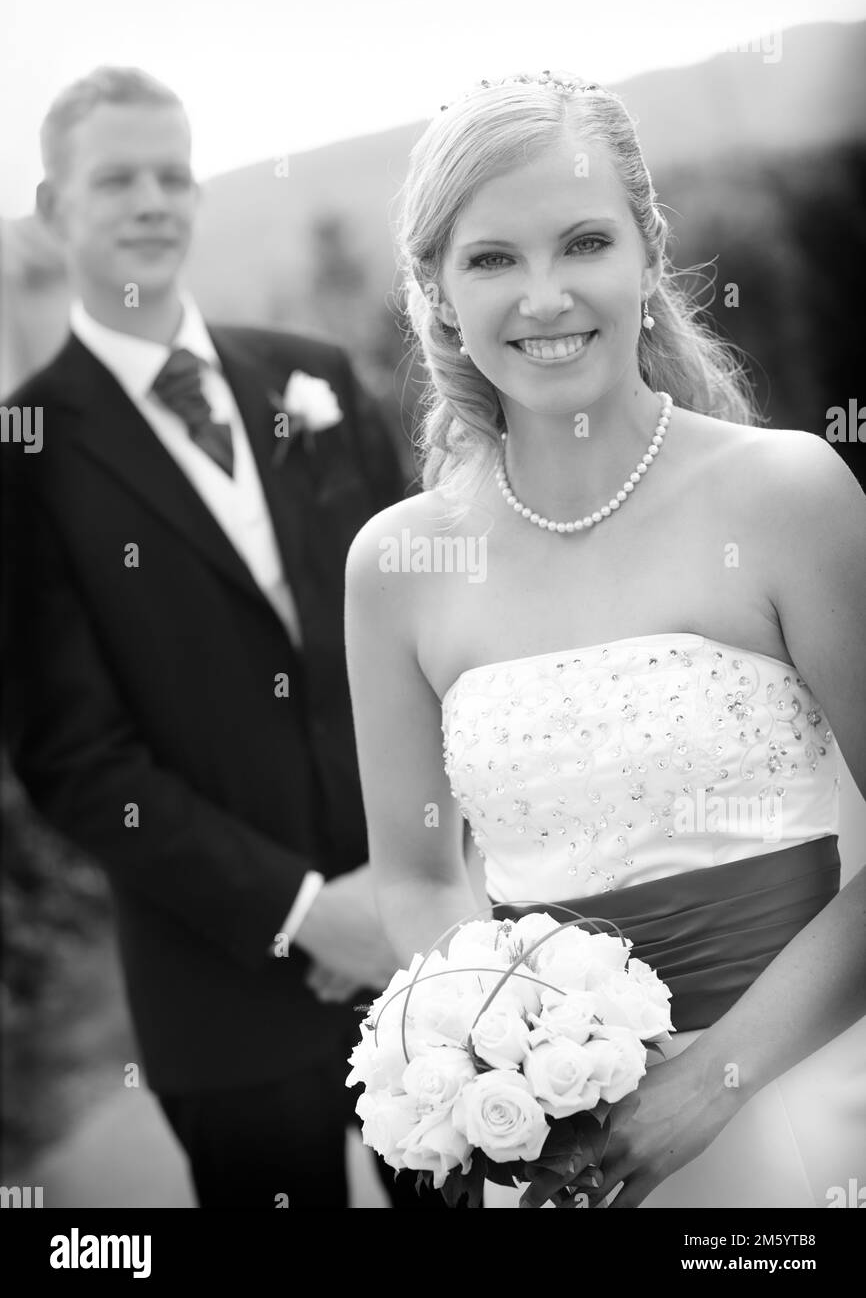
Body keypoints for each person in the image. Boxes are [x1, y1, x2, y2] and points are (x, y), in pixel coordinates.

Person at [344, 70, 866, 1207]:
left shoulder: (787, 494)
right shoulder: (393, 567)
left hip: (803, 1120)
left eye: (582, 242)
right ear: (434, 291)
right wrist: (514, 1064)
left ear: (645, 253)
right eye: (490, 259)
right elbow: (417, 880)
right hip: (557, 1156)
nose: (543, 296)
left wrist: (709, 1086)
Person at [0, 65, 440, 1209]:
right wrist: (302, 910)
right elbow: (73, 761)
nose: (153, 200)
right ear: (56, 210)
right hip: (222, 993)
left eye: (173, 174)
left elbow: (419, 640)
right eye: (117, 179)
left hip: (424, 942)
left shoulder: (314, 379)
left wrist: (425, 874)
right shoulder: (26, 454)